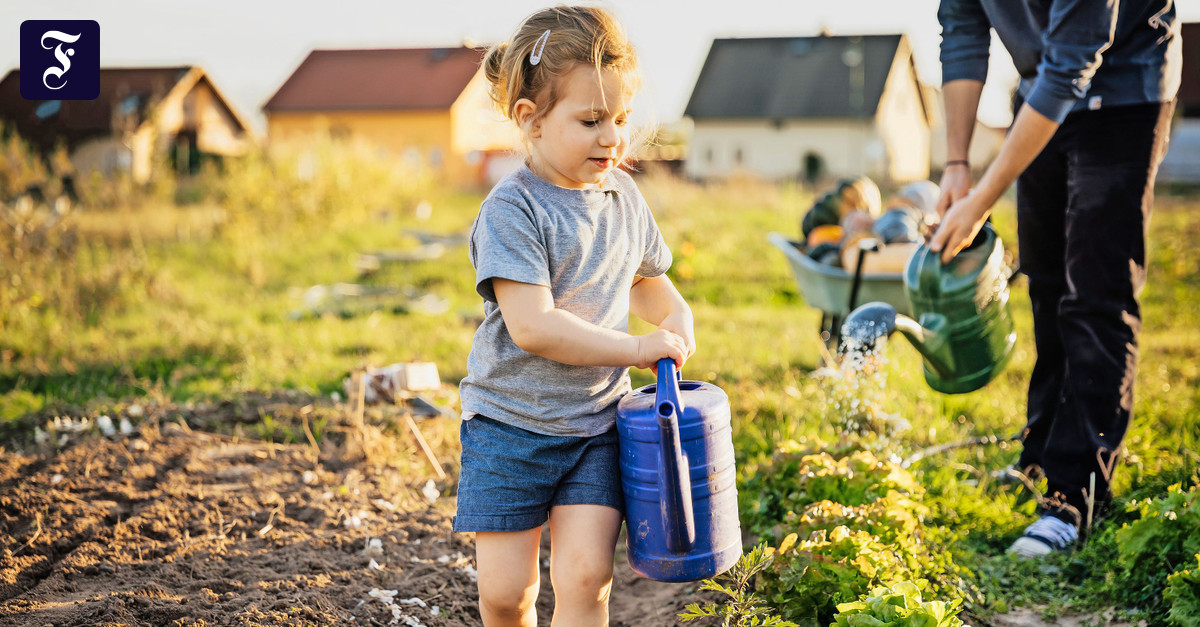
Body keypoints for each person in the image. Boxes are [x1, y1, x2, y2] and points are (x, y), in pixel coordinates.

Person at [455, 6, 695, 625]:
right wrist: (639, 351)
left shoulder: (623, 196)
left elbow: (649, 284)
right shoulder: (513, 211)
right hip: (509, 427)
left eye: (620, 118)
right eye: (590, 120)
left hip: (594, 426)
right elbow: (533, 327)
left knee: (588, 578)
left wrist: (675, 314)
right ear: (530, 121)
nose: (613, 137)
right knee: (507, 595)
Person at [931, 0, 1180, 558]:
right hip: (1042, 86)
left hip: (1125, 90)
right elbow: (964, 28)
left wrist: (980, 203)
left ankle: (1075, 493)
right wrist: (956, 166)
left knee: (1095, 295)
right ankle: (1040, 454)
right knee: (1046, 284)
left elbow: (1074, 59)